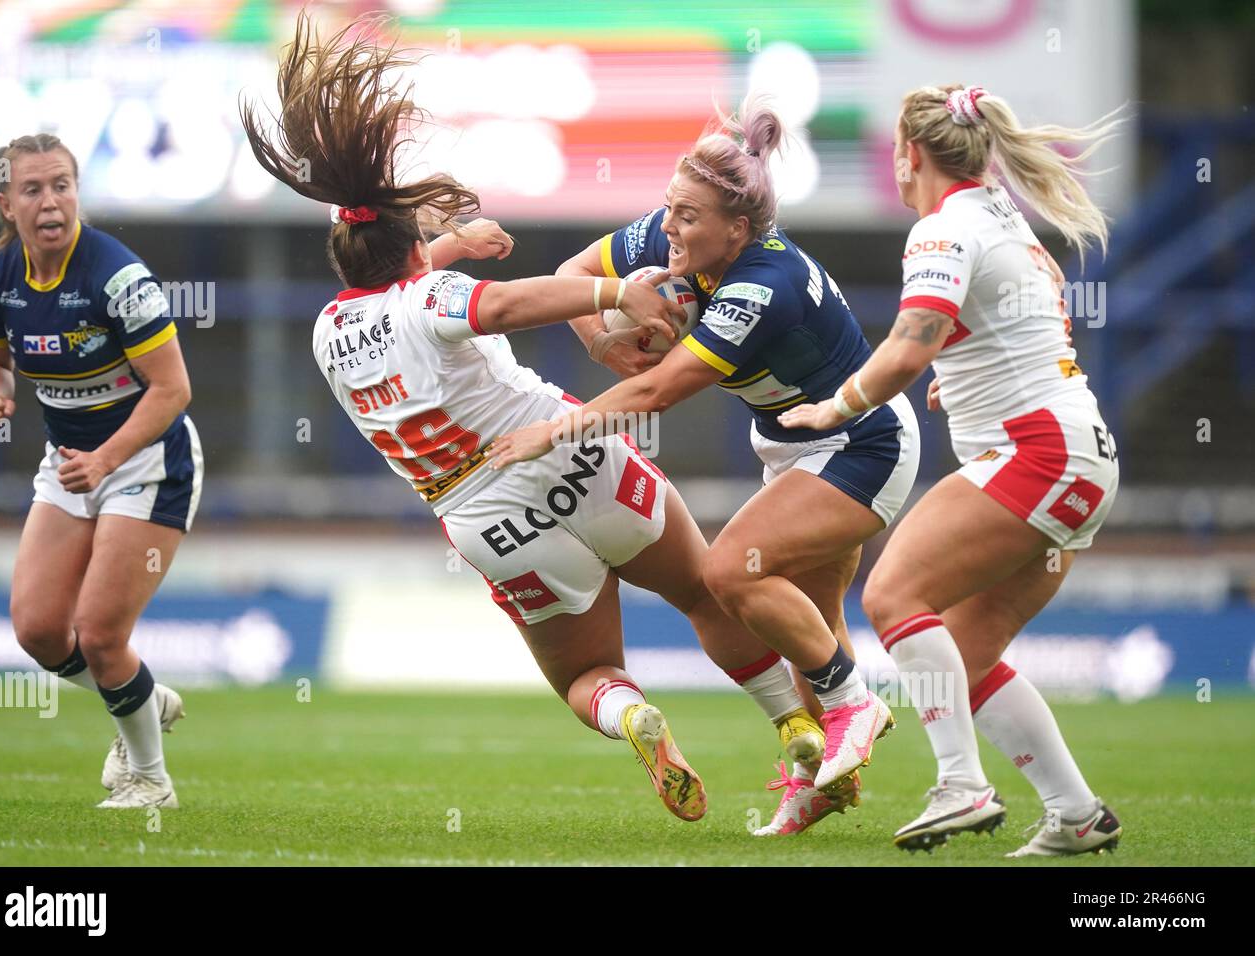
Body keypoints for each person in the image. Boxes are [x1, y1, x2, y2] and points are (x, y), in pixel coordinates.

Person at [240, 12, 838, 825]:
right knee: (705, 592)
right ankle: (794, 722)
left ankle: (633, 716)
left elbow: (388, 296)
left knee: (583, 674)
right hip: (575, 456)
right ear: (413, 251)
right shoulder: (436, 295)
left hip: (481, 514)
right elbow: (506, 304)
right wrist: (611, 293)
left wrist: (445, 242)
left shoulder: (326, 332)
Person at [490, 94, 921, 834]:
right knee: (808, 623)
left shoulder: (763, 283)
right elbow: (571, 271)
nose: (667, 227)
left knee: (730, 573)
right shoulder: (676, 239)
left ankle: (855, 702)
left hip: (860, 446)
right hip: (794, 449)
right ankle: (817, 781)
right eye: (668, 208)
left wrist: (550, 433)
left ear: (739, 228)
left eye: (686, 216)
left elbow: (659, 391)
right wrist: (599, 338)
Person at [778, 85, 1125, 856]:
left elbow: (912, 338)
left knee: (896, 594)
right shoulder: (1001, 216)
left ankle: (961, 787)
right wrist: (965, 361)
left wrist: (837, 407)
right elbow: (1035, 305)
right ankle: (1076, 813)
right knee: (960, 659)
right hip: (1079, 456)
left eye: (894, 150)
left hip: (1038, 454)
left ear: (913, 154)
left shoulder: (945, 227)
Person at [0, 133, 201, 809]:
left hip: (147, 462)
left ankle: (149, 779)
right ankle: (139, 695)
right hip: (69, 466)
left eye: (63, 184)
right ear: (6, 204)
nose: (51, 201)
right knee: (39, 630)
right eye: (34, 189)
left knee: (101, 634)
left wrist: (106, 459)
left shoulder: (118, 276)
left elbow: (173, 390)